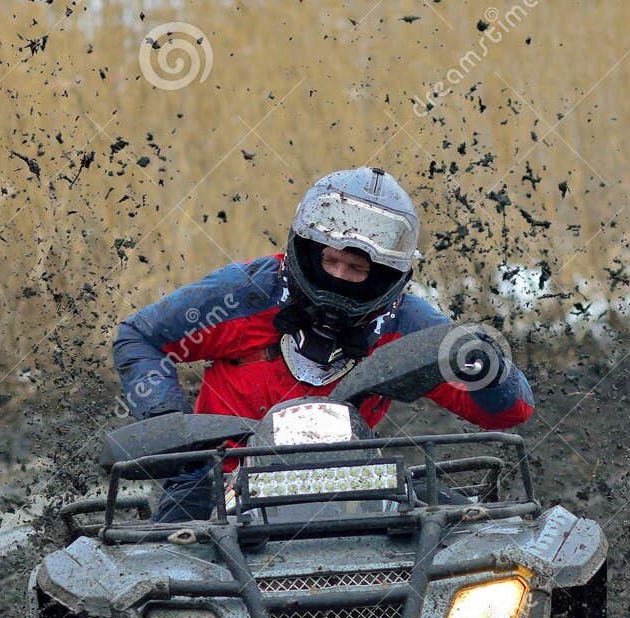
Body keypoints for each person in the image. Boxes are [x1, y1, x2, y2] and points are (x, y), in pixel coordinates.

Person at [112, 167, 534, 519]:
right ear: (307, 251)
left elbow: (510, 413)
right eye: (329, 260)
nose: (338, 275)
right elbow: (141, 336)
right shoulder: (245, 294)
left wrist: (489, 368)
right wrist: (171, 427)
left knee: (471, 537)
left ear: (387, 276)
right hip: (223, 480)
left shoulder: (410, 327)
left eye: (355, 268)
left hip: (357, 486)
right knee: (164, 566)